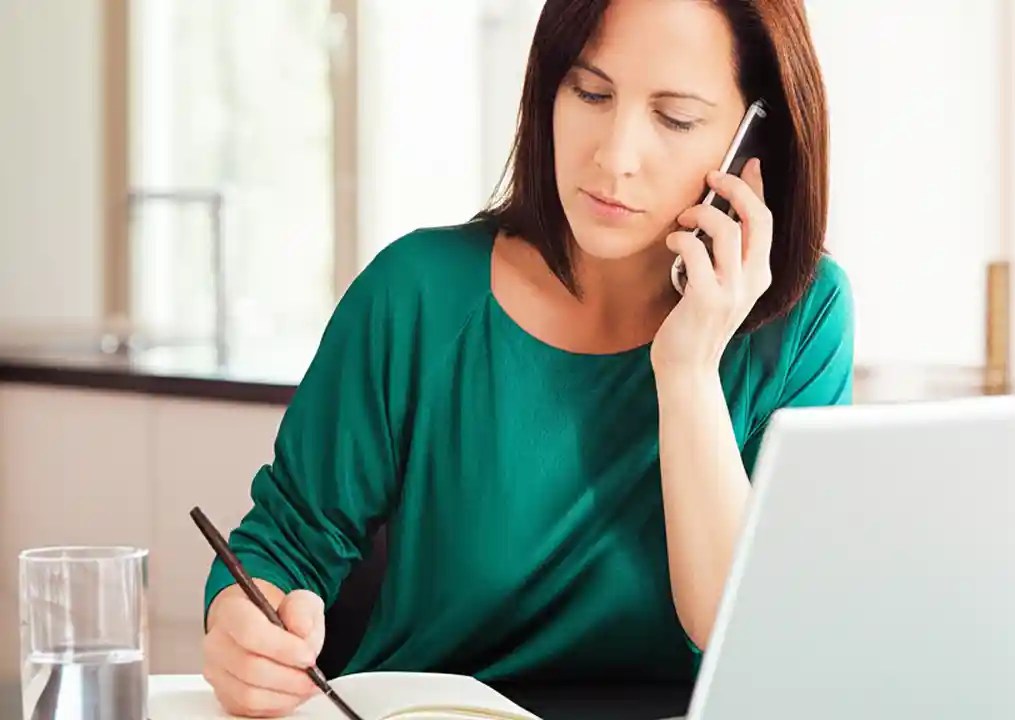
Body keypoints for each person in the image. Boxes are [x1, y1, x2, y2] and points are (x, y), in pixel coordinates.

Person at [200, 0, 854, 716]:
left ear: (753, 139)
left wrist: (689, 372)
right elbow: (282, 547)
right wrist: (243, 628)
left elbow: (748, 637)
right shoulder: (417, 295)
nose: (614, 156)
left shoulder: (804, 315)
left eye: (674, 118)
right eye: (591, 93)